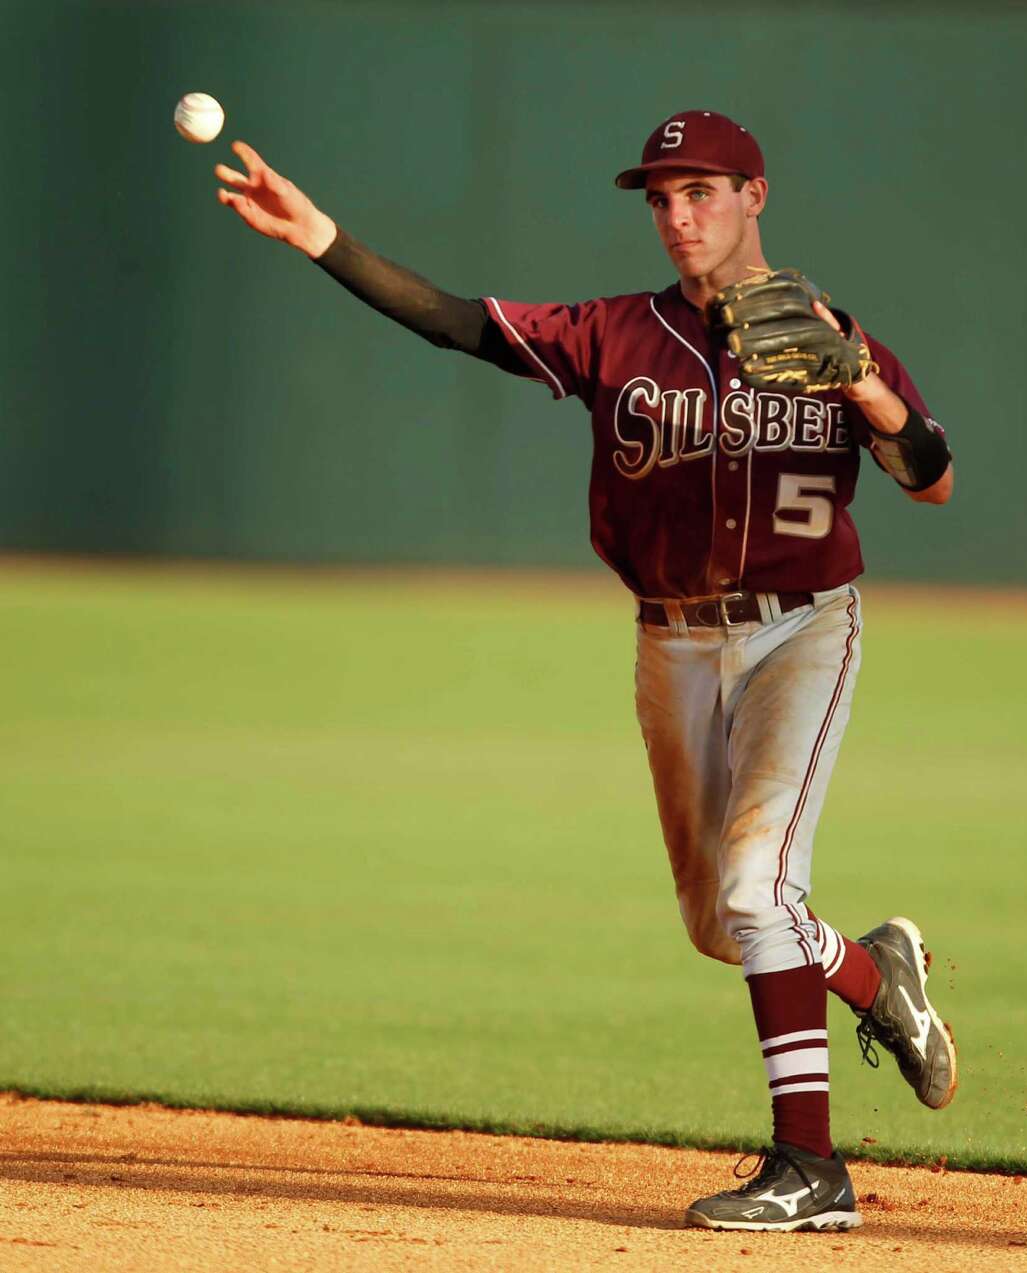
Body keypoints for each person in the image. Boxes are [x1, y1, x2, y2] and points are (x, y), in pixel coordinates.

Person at [215, 108, 957, 1234]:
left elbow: (930, 474)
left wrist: (860, 382)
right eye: (661, 197)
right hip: (671, 640)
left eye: (701, 191)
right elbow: (460, 325)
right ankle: (872, 973)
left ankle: (812, 1170)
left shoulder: (827, 332)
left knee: (758, 893)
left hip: (803, 627)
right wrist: (323, 237)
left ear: (756, 195)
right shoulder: (617, 334)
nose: (677, 214)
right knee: (726, 922)